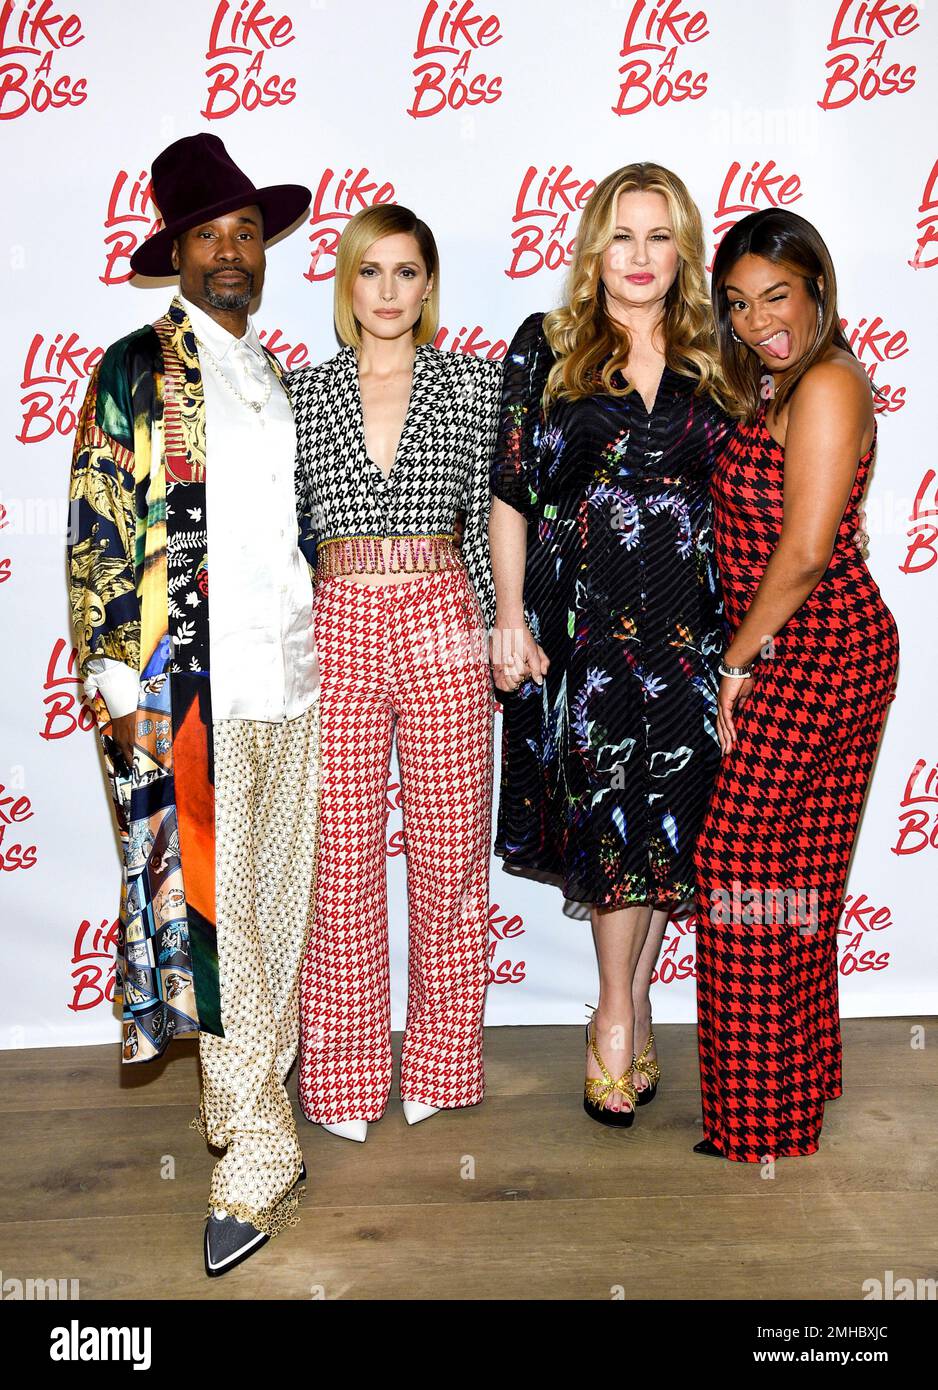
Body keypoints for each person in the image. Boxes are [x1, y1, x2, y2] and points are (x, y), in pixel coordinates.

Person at [67, 133, 320, 1274]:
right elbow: (97, 530)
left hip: (293, 684)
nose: (231, 254)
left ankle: (257, 1113)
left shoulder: (270, 369)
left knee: (276, 916)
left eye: (246, 235)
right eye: (209, 237)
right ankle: (254, 1161)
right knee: (217, 939)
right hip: (189, 699)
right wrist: (117, 685)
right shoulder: (133, 369)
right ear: (176, 253)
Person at [489, 163, 734, 1126]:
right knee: (610, 827)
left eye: (659, 236)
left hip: (691, 632)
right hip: (581, 634)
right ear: (596, 248)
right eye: (622, 236)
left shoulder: (716, 358)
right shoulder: (545, 348)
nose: (640, 257)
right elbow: (512, 489)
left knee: (671, 824)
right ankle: (618, 1017)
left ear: (684, 252)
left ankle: (623, 1007)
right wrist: (508, 614)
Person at [692, 208, 899, 1162]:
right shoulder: (779, 382)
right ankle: (791, 1093)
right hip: (812, 646)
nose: (756, 319)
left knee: (739, 862)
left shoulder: (824, 382)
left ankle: (758, 1115)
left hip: (816, 648)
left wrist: (737, 662)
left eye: (777, 295)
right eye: (737, 303)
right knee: (794, 874)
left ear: (818, 289)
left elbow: (809, 549)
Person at [290, 203, 500, 1141]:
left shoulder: (474, 386)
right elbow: (280, 538)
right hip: (333, 617)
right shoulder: (302, 393)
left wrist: (506, 625)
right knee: (338, 856)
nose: (389, 291)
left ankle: (445, 1066)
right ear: (347, 284)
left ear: (429, 284)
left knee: (452, 850)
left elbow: (500, 521)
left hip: (444, 610)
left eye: (407, 272)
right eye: (371, 272)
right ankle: (339, 1078)